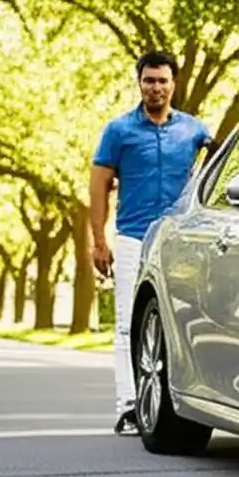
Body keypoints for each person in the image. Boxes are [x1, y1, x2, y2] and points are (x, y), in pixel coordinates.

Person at [91, 51, 214, 436]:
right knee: (129, 325)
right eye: (149, 80)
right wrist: (98, 241)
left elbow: (219, 163)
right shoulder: (119, 131)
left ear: (173, 84)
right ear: (139, 83)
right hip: (133, 238)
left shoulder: (194, 131)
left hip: (179, 240)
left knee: (179, 321)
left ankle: (183, 403)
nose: (156, 87)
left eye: (162, 80)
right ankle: (129, 405)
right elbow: (98, 185)